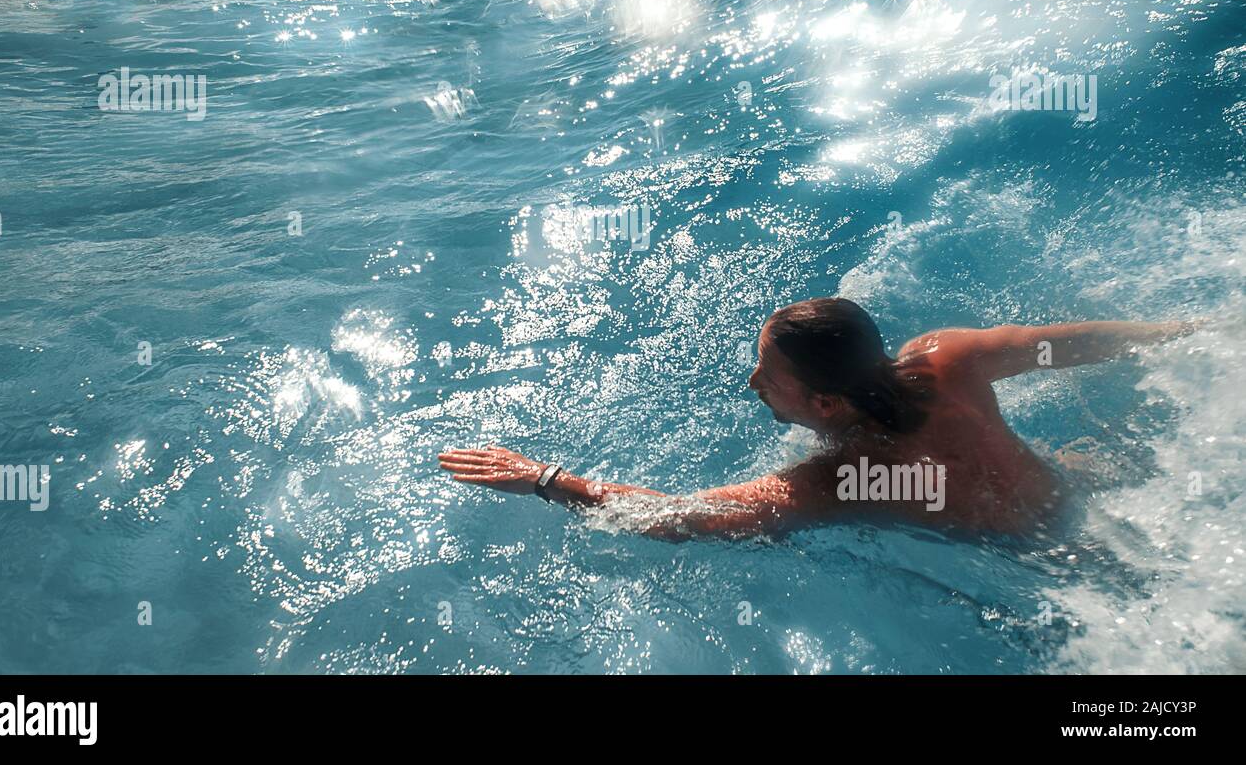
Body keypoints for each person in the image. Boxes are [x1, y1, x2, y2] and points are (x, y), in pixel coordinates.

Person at [439, 298, 1201, 540]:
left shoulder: (847, 479)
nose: (752, 382)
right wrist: (1190, 336)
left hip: (1040, 571)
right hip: (1078, 501)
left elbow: (686, 517)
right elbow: (1075, 347)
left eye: (768, 378)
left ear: (825, 405)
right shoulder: (952, 357)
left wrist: (544, 478)